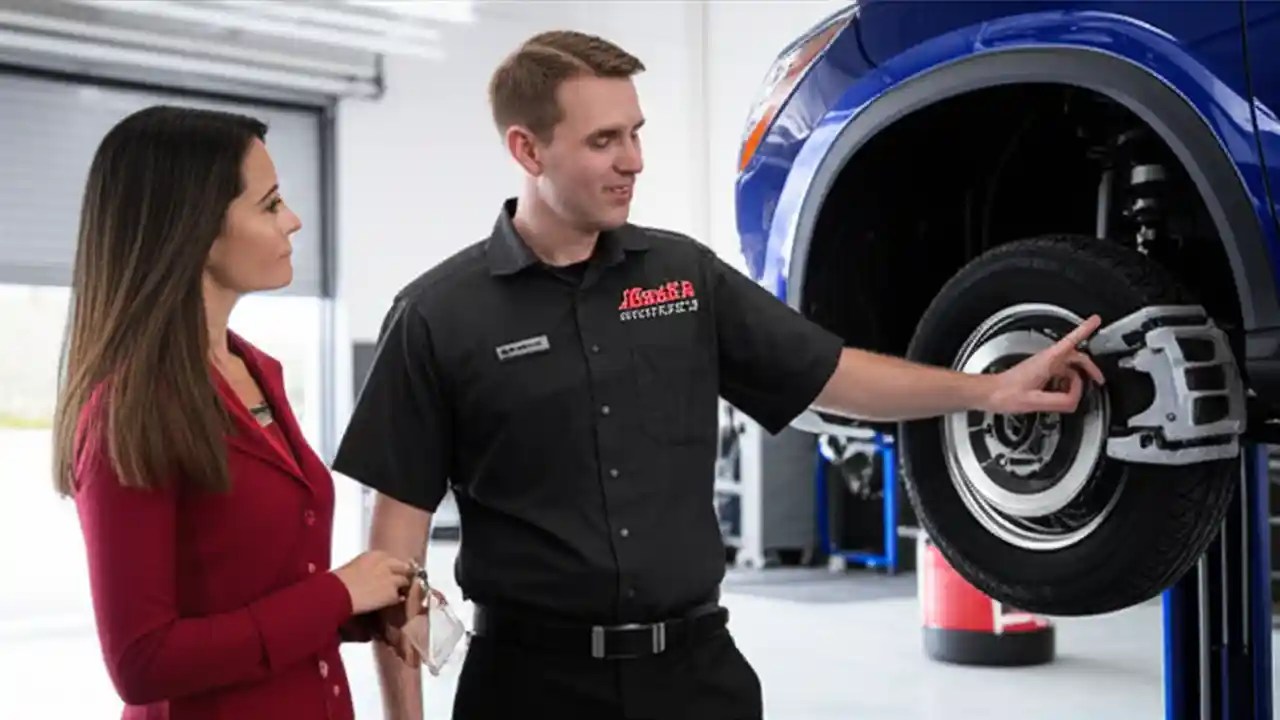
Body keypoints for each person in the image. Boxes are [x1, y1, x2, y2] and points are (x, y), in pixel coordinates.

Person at [332, 31, 1106, 720]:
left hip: (696, 679)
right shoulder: (438, 316)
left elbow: (832, 374)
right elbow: (394, 558)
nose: (633, 160)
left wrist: (989, 390)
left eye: (635, 133)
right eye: (604, 140)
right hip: (529, 687)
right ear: (528, 151)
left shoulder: (683, 277)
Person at [53, 105, 416, 720]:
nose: (294, 220)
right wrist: (336, 594)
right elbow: (143, 662)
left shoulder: (256, 370)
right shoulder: (126, 413)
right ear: (195, 227)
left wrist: (357, 609)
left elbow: (255, 595)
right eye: (270, 205)